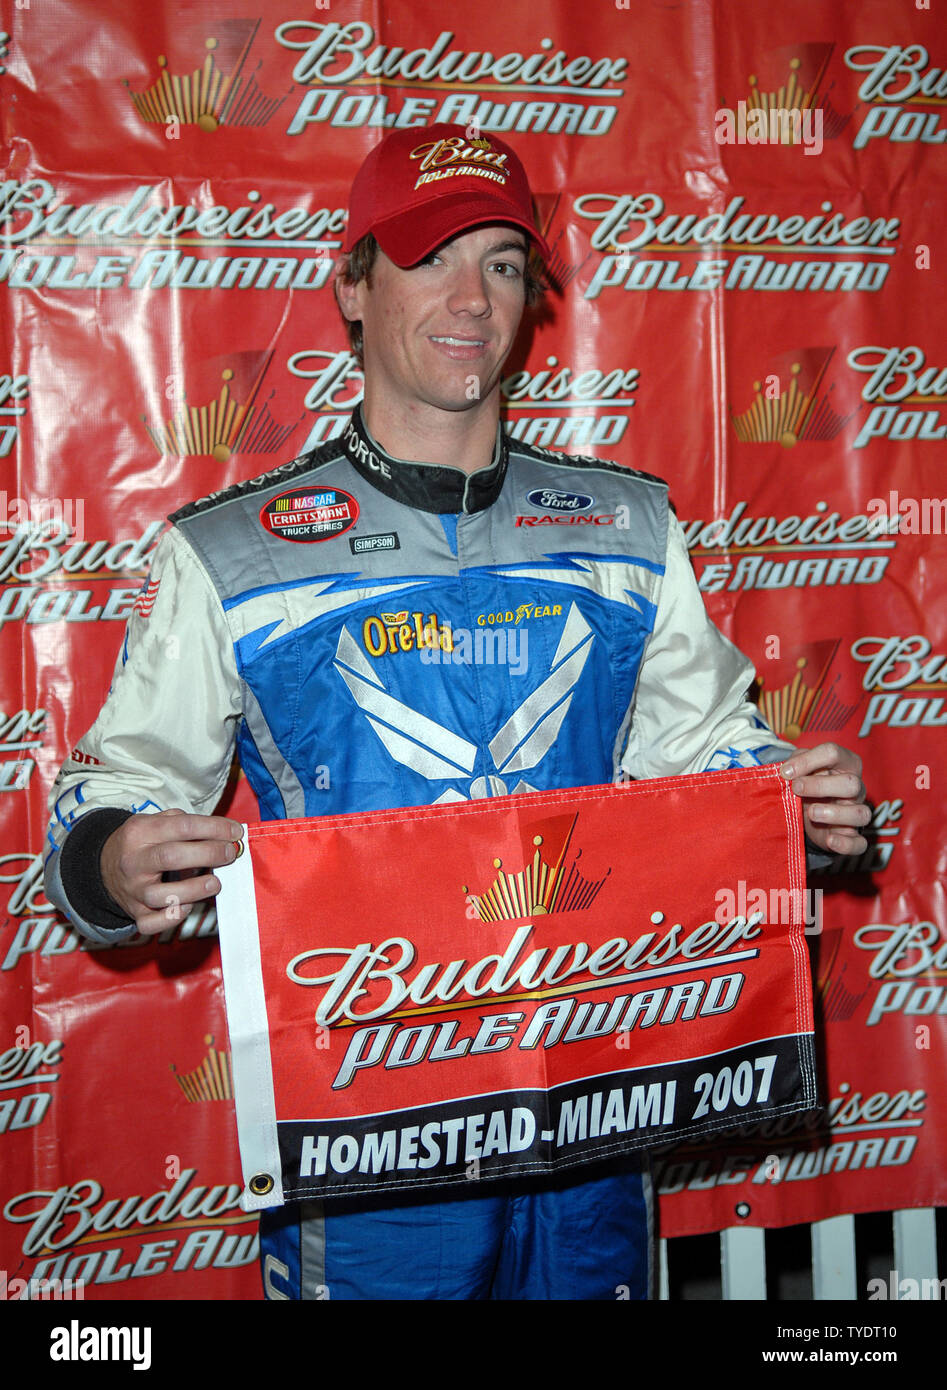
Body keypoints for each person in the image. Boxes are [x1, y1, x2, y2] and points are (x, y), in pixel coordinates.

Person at [43, 123, 869, 1300]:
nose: (469, 296)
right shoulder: (229, 553)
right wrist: (116, 856)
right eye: (429, 256)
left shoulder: (624, 529)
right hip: (371, 1123)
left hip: (590, 1109)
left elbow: (701, 752)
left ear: (532, 297)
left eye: (499, 261)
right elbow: (120, 783)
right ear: (350, 286)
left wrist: (792, 801)